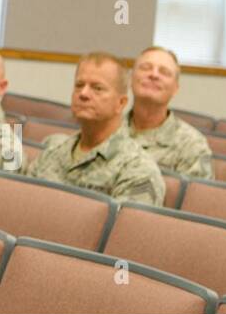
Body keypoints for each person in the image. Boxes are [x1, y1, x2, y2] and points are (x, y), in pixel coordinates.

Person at [22, 52, 164, 205]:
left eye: (97, 88)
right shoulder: (52, 150)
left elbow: (125, 228)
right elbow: (22, 205)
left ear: (121, 103)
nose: (83, 94)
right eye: (79, 85)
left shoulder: (138, 170)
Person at [124, 46, 212, 178]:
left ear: (175, 88)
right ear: (130, 78)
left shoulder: (192, 145)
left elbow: (195, 197)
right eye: (146, 68)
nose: (154, 75)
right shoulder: (105, 129)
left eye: (164, 72)